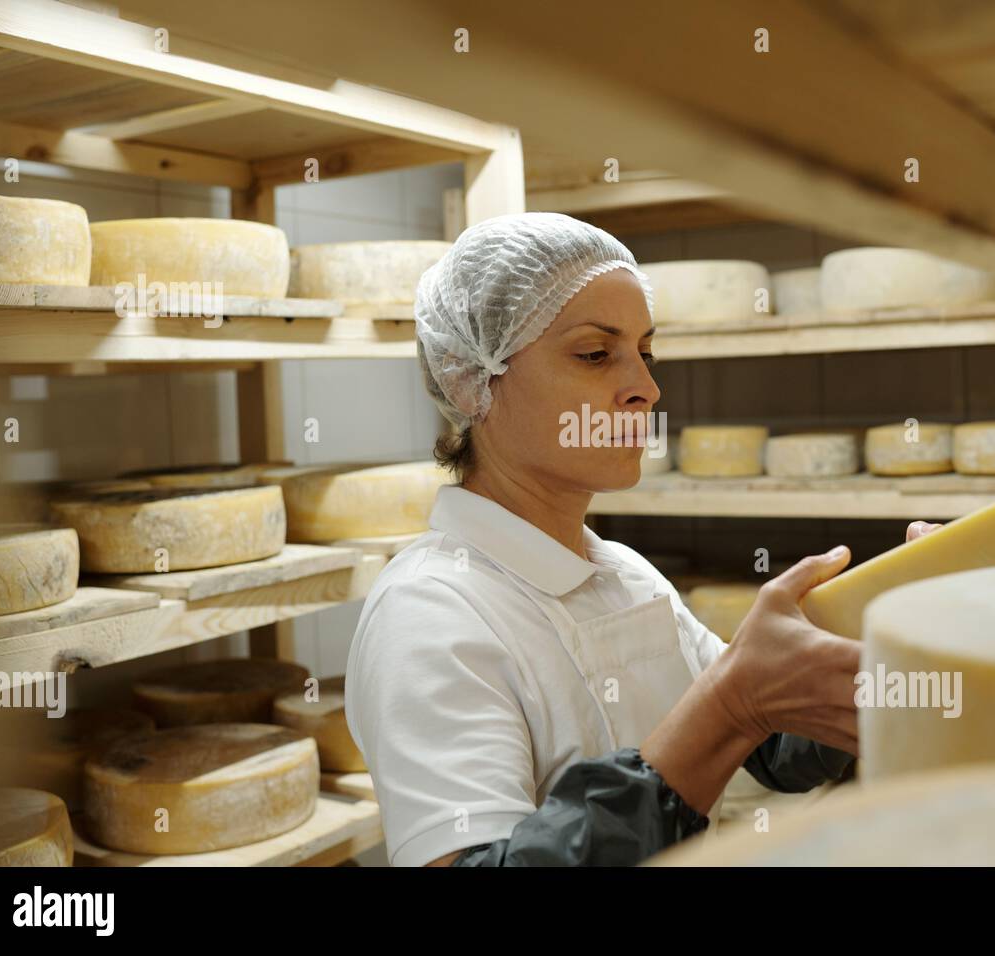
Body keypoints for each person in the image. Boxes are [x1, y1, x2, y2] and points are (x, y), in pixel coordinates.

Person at [344, 212, 941, 866]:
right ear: (475, 380)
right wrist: (731, 705)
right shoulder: (430, 614)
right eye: (596, 354)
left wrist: (885, 615)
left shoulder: (623, 572)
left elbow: (771, 744)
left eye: (645, 352)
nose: (647, 390)